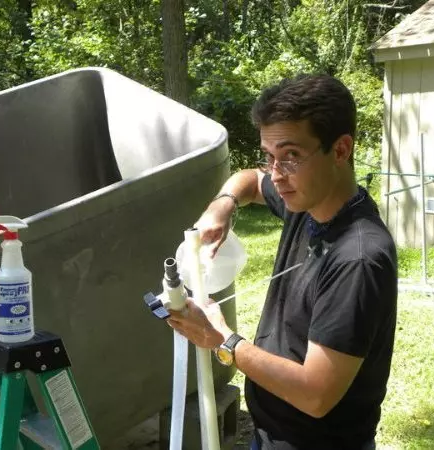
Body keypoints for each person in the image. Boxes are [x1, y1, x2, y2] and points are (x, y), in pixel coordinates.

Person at [167, 74, 397, 450]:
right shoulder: (306, 200)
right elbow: (253, 182)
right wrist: (223, 204)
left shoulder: (359, 259)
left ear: (340, 151)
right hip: (269, 434)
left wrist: (221, 340)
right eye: (270, 156)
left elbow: (316, 395)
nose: (277, 174)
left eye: (291, 156)